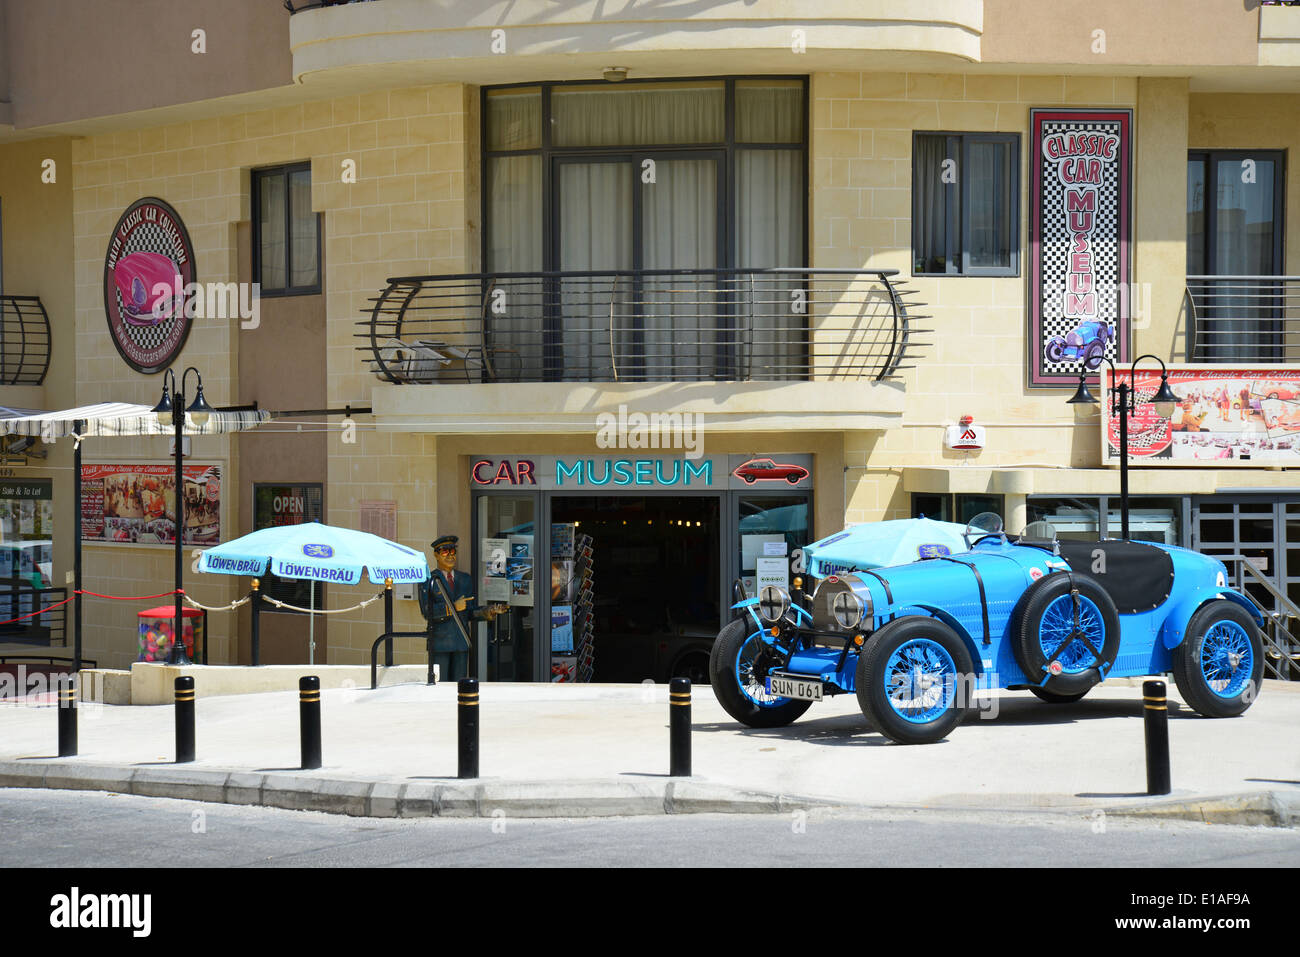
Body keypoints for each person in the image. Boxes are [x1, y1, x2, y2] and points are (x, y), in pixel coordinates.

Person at [418, 535, 504, 683]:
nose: (450, 556)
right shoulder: (429, 580)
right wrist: (452, 608)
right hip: (440, 644)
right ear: (436, 554)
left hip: (461, 641)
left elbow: (469, 612)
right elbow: (427, 612)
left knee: (460, 685)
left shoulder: (465, 579)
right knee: (441, 685)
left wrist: (488, 611)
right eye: (445, 552)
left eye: (453, 551)